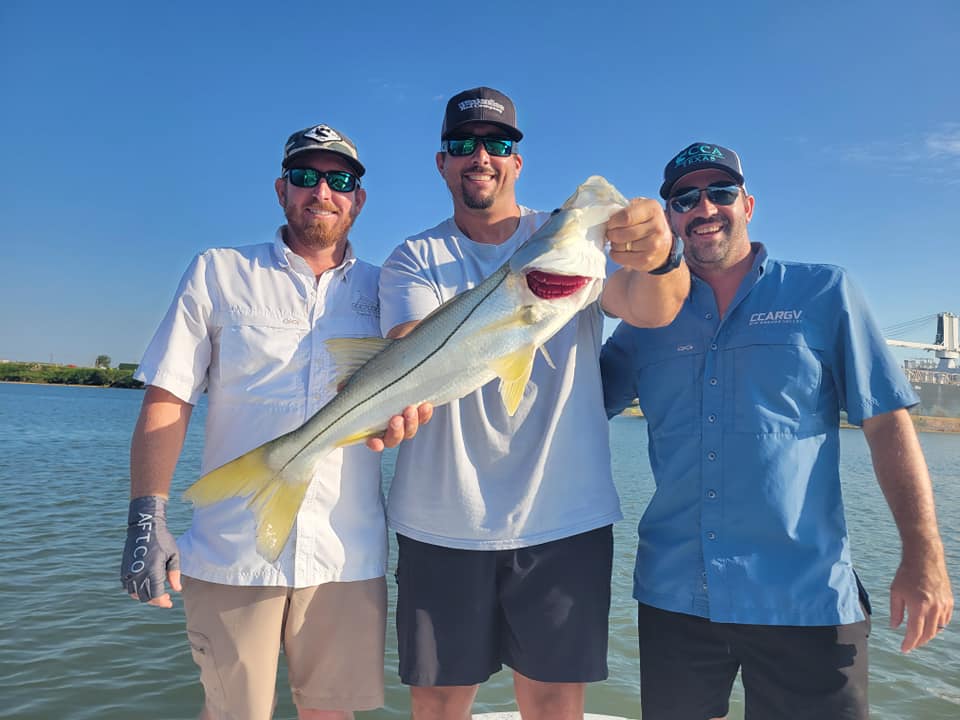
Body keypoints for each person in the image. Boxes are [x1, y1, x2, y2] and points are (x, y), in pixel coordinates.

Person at [600, 142, 955, 720]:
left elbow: (887, 423)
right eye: (685, 198)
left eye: (721, 192)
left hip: (805, 595)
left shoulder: (823, 292)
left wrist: (924, 556)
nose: (705, 207)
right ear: (669, 218)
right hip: (675, 595)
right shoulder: (646, 321)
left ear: (749, 203)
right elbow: (578, 406)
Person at [378, 87, 689, 720]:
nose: (481, 156)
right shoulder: (414, 257)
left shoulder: (571, 245)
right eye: (462, 145)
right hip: (440, 518)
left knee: (552, 703)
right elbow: (407, 345)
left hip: (563, 517)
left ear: (518, 159)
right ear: (442, 163)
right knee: (437, 703)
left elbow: (652, 307)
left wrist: (664, 257)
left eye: (499, 143)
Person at [120, 123, 430, 720]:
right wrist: (146, 515)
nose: (322, 191)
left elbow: (420, 373)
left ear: (358, 198)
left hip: (347, 552)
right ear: (281, 189)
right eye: (305, 177)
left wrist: (406, 414)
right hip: (232, 549)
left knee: (332, 714)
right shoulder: (218, 271)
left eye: (340, 180)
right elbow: (168, 396)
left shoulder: (389, 289)